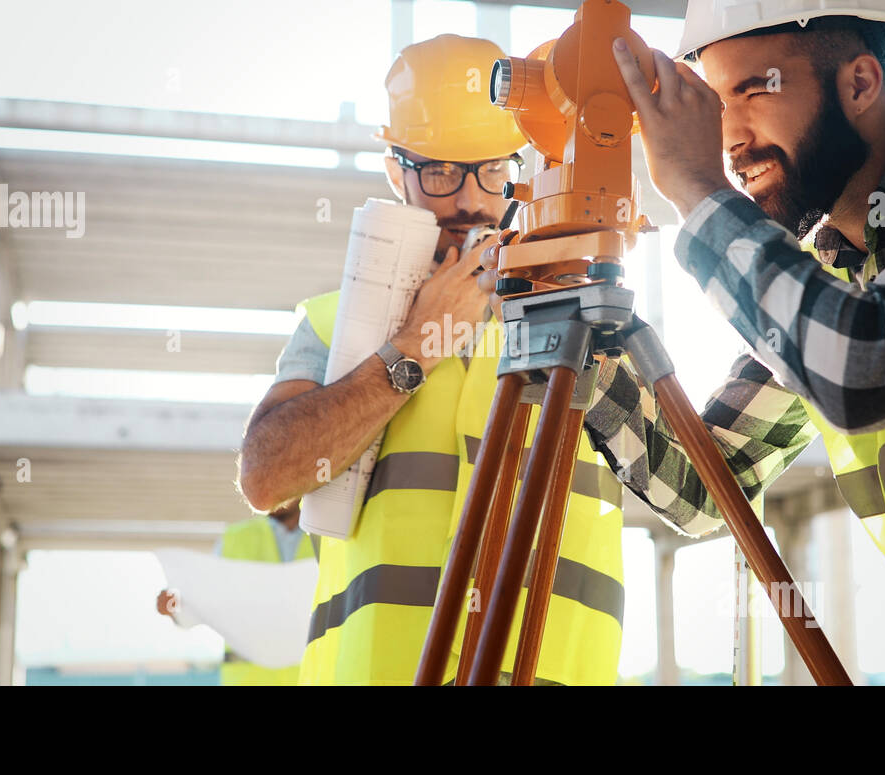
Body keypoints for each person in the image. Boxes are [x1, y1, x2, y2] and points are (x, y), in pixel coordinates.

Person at [503, 0, 885, 685]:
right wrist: (573, 319)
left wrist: (700, 194)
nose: (727, 138)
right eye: (712, 103)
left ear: (860, 83)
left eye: (753, 91)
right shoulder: (835, 279)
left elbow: (873, 366)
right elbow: (701, 490)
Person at [238, 34, 626, 685]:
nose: (470, 198)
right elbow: (264, 476)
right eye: (441, 172)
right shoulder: (334, 323)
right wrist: (411, 350)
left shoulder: (581, 313)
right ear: (397, 171)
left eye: (493, 170)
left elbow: (682, 484)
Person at [157, 502, 313, 685]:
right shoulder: (235, 537)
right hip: (247, 678)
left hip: (312, 675)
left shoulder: (328, 538)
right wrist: (177, 607)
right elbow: (205, 596)